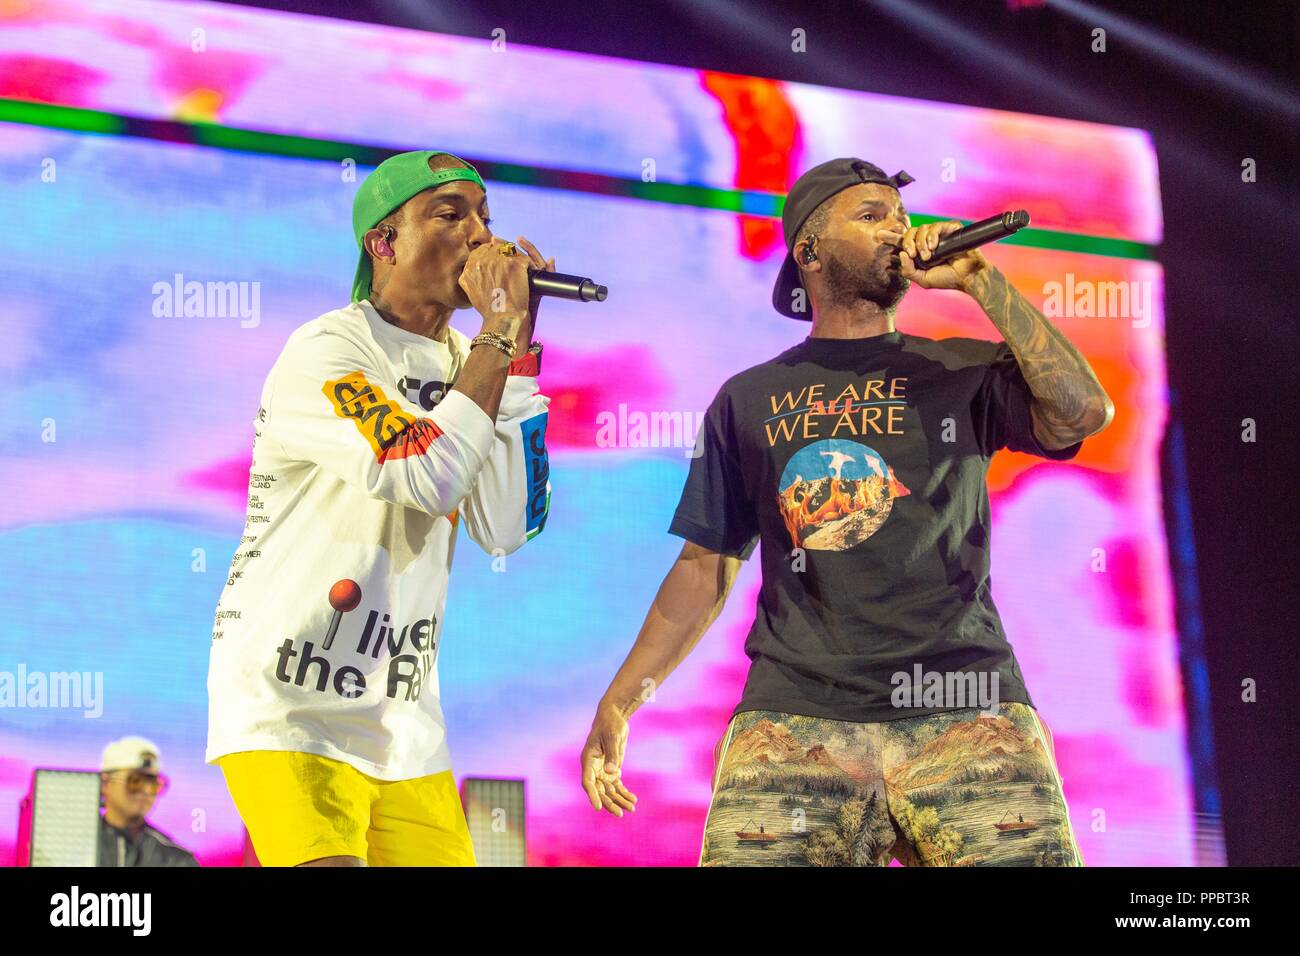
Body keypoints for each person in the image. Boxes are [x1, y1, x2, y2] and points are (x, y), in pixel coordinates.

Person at [582, 158, 1112, 867]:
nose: (898, 229)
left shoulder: (962, 369)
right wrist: (621, 701)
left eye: (900, 215)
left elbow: (1084, 411)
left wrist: (985, 284)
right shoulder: (750, 397)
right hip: (796, 718)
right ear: (808, 250)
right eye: (871, 216)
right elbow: (705, 563)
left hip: (966, 704)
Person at [207, 150, 553, 866]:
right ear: (383, 243)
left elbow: (508, 528)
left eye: (485, 217)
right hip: (289, 701)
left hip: (403, 719)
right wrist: (496, 337)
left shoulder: (473, 359)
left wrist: (514, 359)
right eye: (449, 215)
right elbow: (426, 473)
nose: (480, 235)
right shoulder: (329, 349)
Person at [98, 736, 198, 867]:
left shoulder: (175, 860)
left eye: (153, 784)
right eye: (135, 781)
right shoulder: (74, 844)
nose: (146, 791)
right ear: (105, 783)